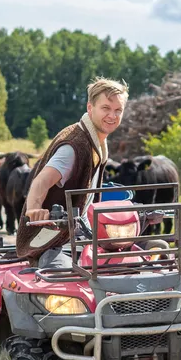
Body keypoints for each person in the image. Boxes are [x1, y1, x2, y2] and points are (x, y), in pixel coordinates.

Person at [17, 77, 128, 268]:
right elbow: (41, 182)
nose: (112, 115)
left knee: (144, 256)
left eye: (118, 110)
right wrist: (34, 210)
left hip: (81, 233)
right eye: (106, 108)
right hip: (54, 239)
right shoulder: (75, 146)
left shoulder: (97, 144)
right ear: (90, 107)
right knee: (62, 277)